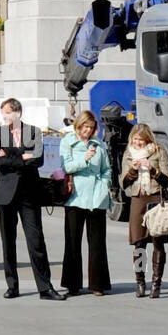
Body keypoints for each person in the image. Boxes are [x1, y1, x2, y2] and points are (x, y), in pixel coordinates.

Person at [0, 97, 65, 301]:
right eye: (3, 113)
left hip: (29, 194)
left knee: (36, 241)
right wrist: (23, 156)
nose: (4, 117)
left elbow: (38, 159)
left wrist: (14, 157)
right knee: (8, 243)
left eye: (7, 113)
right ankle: (12, 285)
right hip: (6, 195)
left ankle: (45, 287)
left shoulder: (34, 132)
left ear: (17, 112)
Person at [58, 109, 112, 296]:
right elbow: (67, 166)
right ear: (78, 126)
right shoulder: (68, 142)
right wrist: (85, 158)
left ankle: (98, 284)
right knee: (72, 242)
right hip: (76, 197)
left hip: (97, 197)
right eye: (85, 127)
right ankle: (72, 284)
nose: (88, 131)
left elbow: (106, 169)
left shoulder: (99, 144)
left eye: (91, 127)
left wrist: (105, 184)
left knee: (97, 243)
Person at [121, 122, 168, 298]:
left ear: (147, 139)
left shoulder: (158, 151)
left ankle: (156, 284)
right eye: (135, 139)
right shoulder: (128, 154)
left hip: (156, 198)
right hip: (137, 199)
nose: (137, 143)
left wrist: (153, 170)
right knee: (139, 244)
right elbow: (123, 183)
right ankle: (140, 282)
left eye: (141, 140)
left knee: (158, 242)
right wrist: (133, 171)